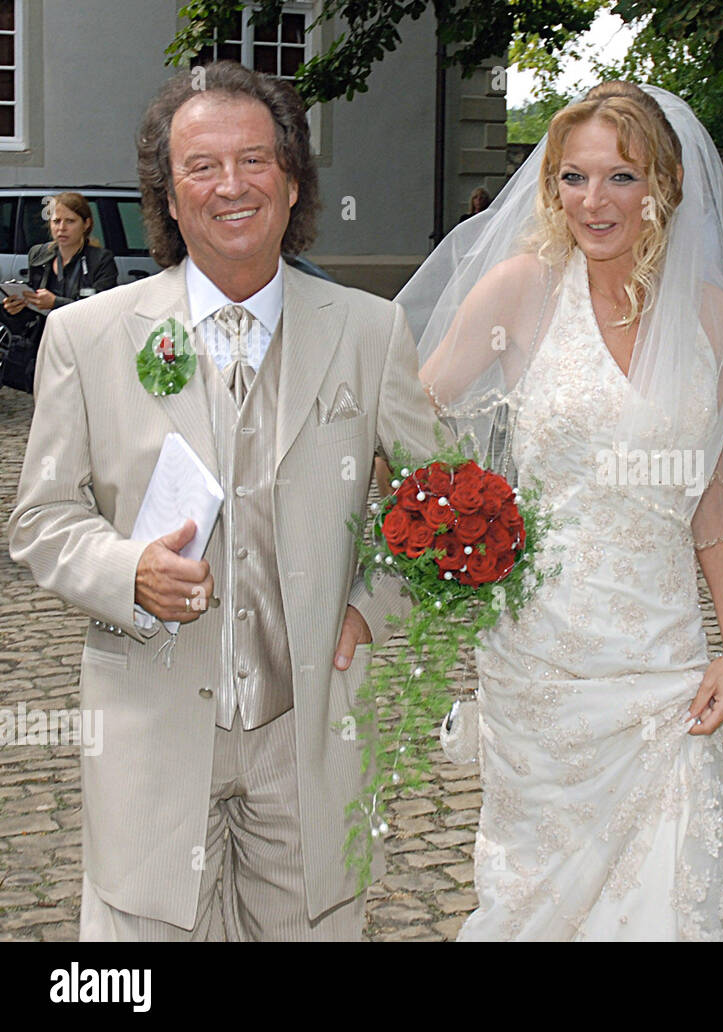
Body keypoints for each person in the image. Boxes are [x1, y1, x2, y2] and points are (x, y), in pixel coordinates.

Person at [7, 60, 437, 940]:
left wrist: (369, 606)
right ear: (167, 195)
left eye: (254, 160)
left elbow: (443, 503)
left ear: (291, 180)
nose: (230, 185)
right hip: (154, 724)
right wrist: (127, 570)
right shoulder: (85, 336)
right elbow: (42, 519)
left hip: (306, 730)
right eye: (201, 166)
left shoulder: (370, 331)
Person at [396, 80, 723, 940]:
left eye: (621, 178)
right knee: (537, 899)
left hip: (663, 657)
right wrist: (450, 525)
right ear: (551, 186)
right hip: (541, 656)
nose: (596, 202)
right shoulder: (520, 292)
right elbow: (408, 420)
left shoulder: (717, 317)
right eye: (574, 178)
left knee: (667, 895)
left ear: (663, 185)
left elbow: (711, 496)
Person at [1, 192, 118, 392]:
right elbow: (32, 316)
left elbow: (101, 309)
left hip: (84, 350)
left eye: (70, 221)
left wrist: (55, 302)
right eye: (56, 221)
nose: (61, 228)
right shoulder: (39, 255)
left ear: (86, 224)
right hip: (45, 349)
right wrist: (15, 309)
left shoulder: (100, 260)